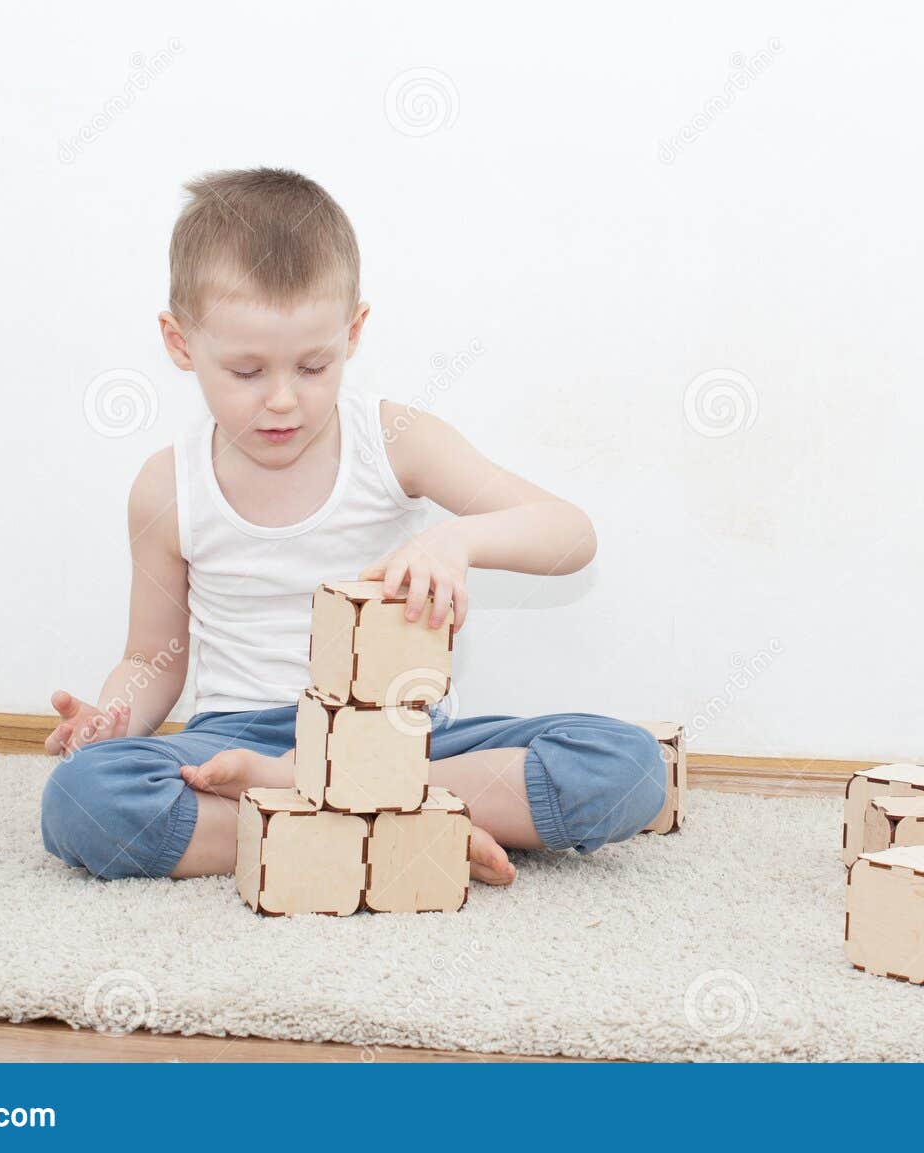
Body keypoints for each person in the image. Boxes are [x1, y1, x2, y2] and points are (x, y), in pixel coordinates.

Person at [38, 167, 667, 888]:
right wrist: (113, 715)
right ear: (180, 344)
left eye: (313, 365)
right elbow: (154, 656)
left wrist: (454, 539)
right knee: (82, 800)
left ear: (354, 332)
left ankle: (307, 812)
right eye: (245, 370)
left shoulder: (394, 437)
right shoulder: (166, 485)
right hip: (236, 741)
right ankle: (411, 821)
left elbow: (569, 533)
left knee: (626, 766)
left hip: (400, 735)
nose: (282, 400)